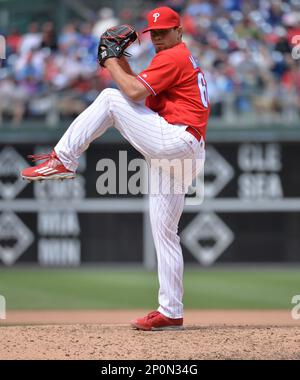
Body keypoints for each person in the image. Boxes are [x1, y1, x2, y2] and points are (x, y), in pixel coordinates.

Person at [21, 6, 210, 331]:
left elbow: (129, 93)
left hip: (177, 139)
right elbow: (137, 98)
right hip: (186, 151)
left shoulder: (174, 56)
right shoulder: (174, 60)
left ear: (179, 31)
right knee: (165, 232)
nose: (159, 39)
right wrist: (120, 61)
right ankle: (171, 311)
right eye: (154, 34)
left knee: (109, 99)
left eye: (164, 32)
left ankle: (63, 157)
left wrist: (110, 60)